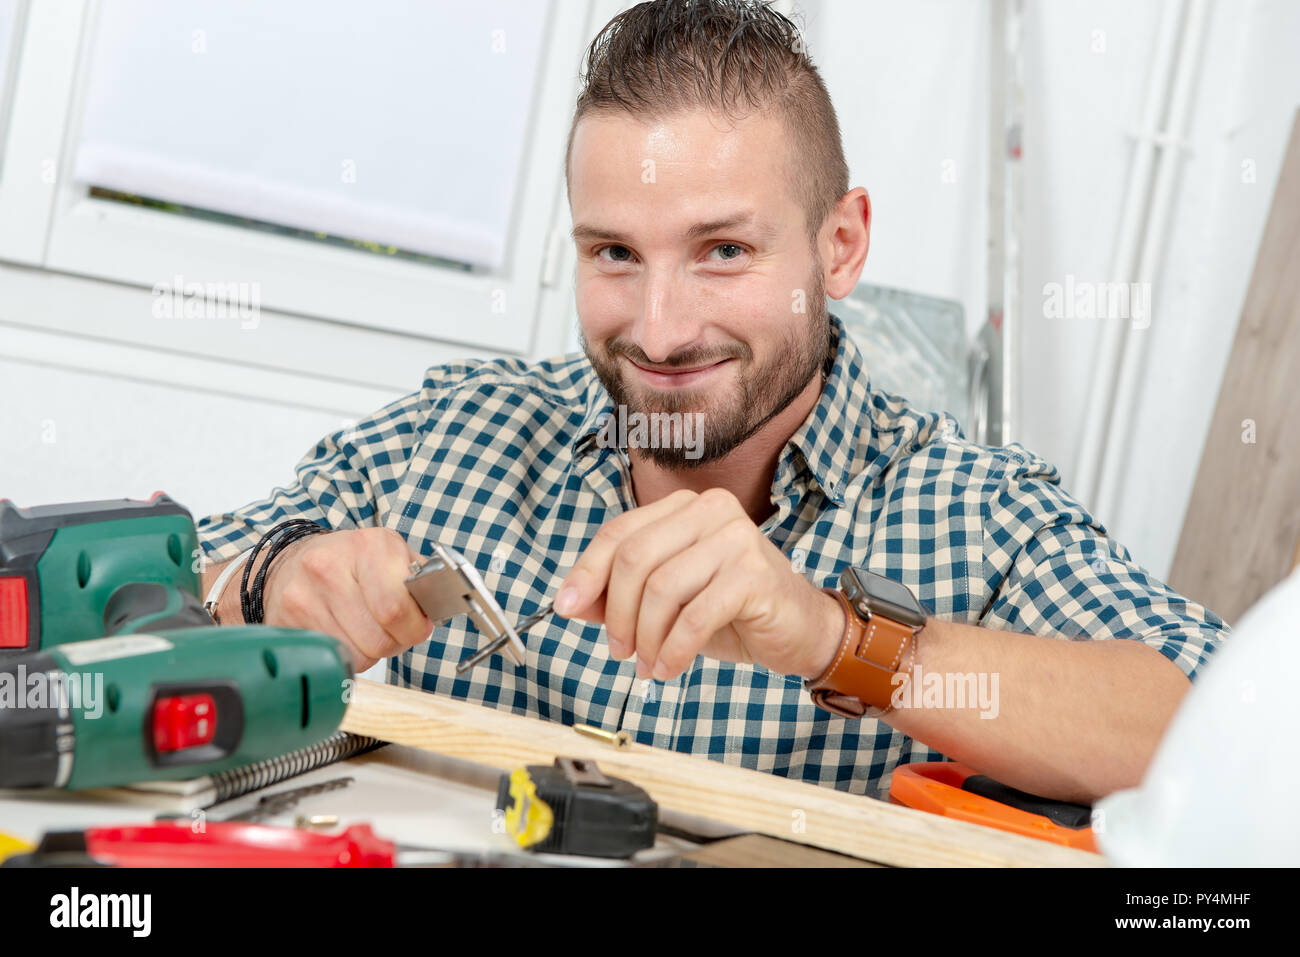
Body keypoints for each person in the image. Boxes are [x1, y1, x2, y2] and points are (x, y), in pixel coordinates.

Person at [197, 0, 1226, 804]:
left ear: (841, 245)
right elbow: (122, 602)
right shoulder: (453, 435)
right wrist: (262, 586)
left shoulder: (972, 515)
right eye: (614, 253)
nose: (658, 328)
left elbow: (1229, 730)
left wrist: (830, 637)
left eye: (722, 252)